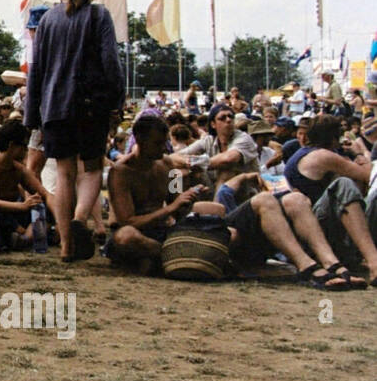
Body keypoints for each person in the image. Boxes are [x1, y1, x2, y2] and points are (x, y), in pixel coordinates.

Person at [108, 114, 360, 287]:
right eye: (156, 143)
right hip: (146, 233)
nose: (163, 148)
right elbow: (127, 220)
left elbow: (177, 202)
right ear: (139, 141)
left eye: (164, 142)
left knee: (252, 214)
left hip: (170, 233)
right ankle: (181, 257)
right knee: (125, 237)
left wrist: (189, 195)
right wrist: (173, 208)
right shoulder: (122, 172)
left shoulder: (165, 165)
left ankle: (312, 266)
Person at [24, 0, 124, 262]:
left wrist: (32, 116)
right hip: (90, 105)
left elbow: (36, 71)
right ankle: (81, 219)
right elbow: (110, 61)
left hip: (54, 108)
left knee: (65, 173)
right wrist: (117, 99)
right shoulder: (99, 15)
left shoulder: (47, 21)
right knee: (92, 168)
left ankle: (67, 245)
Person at [283, 114, 377, 285]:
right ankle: (374, 261)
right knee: (345, 185)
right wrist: (360, 152)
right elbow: (368, 175)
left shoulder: (303, 154)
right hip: (314, 228)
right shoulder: (323, 156)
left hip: (306, 228)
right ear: (334, 137)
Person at [0, 121, 55, 250]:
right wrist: (22, 206)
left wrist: (60, 220)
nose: (26, 151)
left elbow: (44, 194)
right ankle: (27, 235)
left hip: (11, 214)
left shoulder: (19, 169)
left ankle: (25, 238)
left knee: (43, 208)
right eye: (24, 146)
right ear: (12, 145)